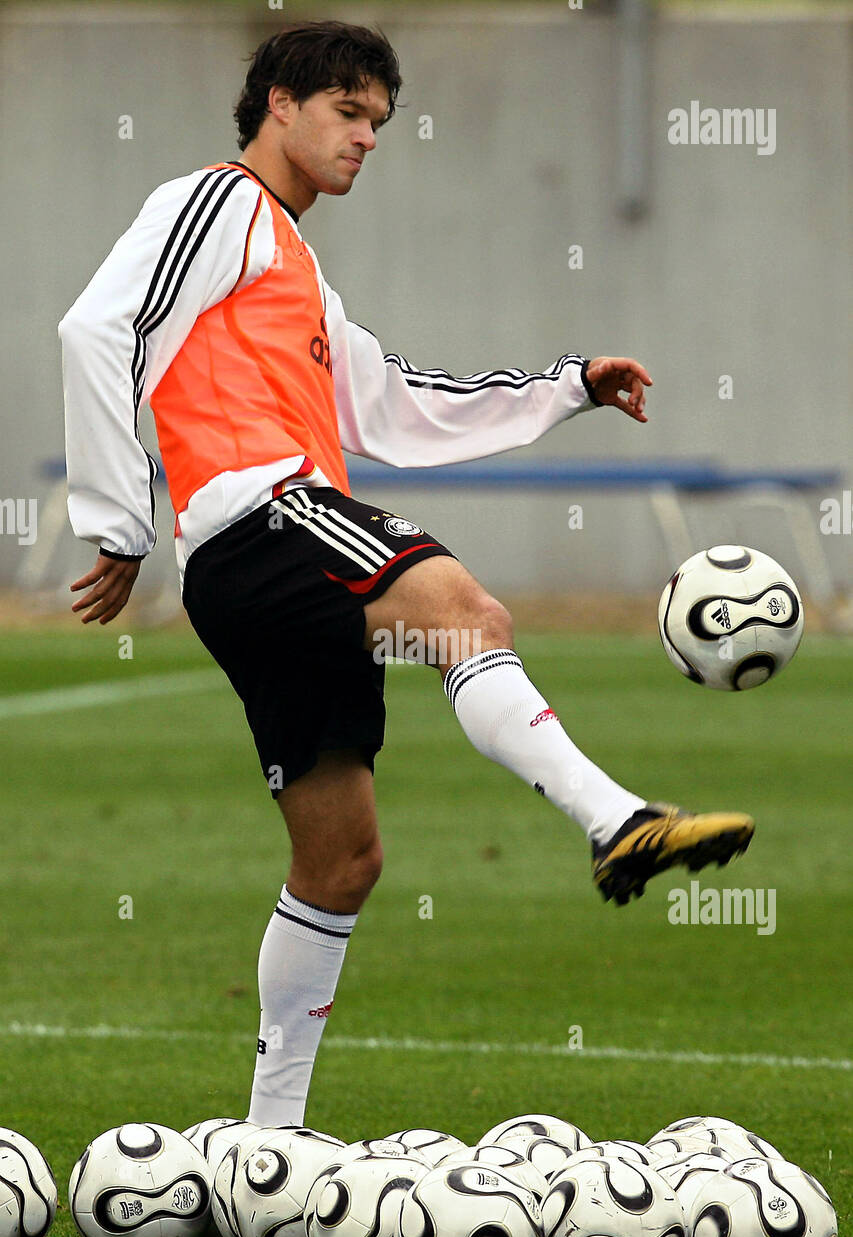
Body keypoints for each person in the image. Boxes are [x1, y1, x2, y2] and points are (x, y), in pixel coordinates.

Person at [59, 20, 753, 1128]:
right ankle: (612, 815)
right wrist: (114, 516)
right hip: (265, 518)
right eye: (346, 110)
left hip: (265, 555)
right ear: (278, 105)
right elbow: (97, 327)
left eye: (378, 121)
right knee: (463, 611)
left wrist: (566, 384)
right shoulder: (217, 203)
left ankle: (266, 1145)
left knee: (342, 862)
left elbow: (398, 405)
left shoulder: (297, 272)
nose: (366, 137)